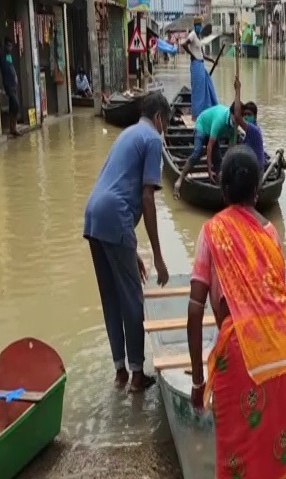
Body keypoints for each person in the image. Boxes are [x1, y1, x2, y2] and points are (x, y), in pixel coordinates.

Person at [187, 145, 286, 479]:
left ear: (221, 188)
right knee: (280, 451)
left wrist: (198, 381)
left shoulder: (212, 233)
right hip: (281, 350)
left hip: (241, 355)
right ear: (258, 190)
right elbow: (277, 295)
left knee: (239, 461)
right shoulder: (268, 233)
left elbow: (195, 307)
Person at [84, 93, 172, 393]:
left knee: (111, 296)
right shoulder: (152, 139)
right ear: (159, 118)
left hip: (94, 214)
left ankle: (120, 371)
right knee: (133, 297)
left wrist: (131, 250)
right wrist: (158, 257)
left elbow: (114, 184)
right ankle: (137, 375)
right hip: (115, 216)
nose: (164, 131)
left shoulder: (127, 135)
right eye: (166, 124)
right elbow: (146, 198)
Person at [173, 104, 235, 196]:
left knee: (218, 160)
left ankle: (222, 187)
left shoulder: (235, 126)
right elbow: (209, 146)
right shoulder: (220, 120)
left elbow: (230, 151)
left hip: (213, 132)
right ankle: (180, 179)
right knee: (197, 153)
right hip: (202, 125)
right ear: (231, 114)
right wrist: (209, 170)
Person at [181, 18, 218, 119]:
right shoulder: (192, 34)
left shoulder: (199, 37)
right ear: (194, 26)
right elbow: (183, 44)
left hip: (201, 65)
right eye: (197, 25)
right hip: (196, 65)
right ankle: (196, 115)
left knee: (207, 87)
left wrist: (211, 60)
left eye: (200, 25)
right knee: (197, 90)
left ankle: (206, 112)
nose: (199, 27)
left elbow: (202, 54)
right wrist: (191, 54)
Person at [232, 76, 265, 168]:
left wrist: (238, 91)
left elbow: (237, 117)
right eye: (245, 114)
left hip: (255, 171)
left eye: (249, 114)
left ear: (255, 117)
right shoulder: (250, 131)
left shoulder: (254, 130)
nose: (246, 117)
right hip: (251, 166)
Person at [0, 38, 21, 137]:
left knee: (13, 106)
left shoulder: (9, 56)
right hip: (8, 85)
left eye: (11, 46)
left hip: (13, 84)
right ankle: (13, 128)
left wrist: (15, 76)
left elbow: (11, 67)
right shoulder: (1, 55)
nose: (9, 48)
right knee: (16, 104)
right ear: (5, 46)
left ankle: (13, 128)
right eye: (8, 46)